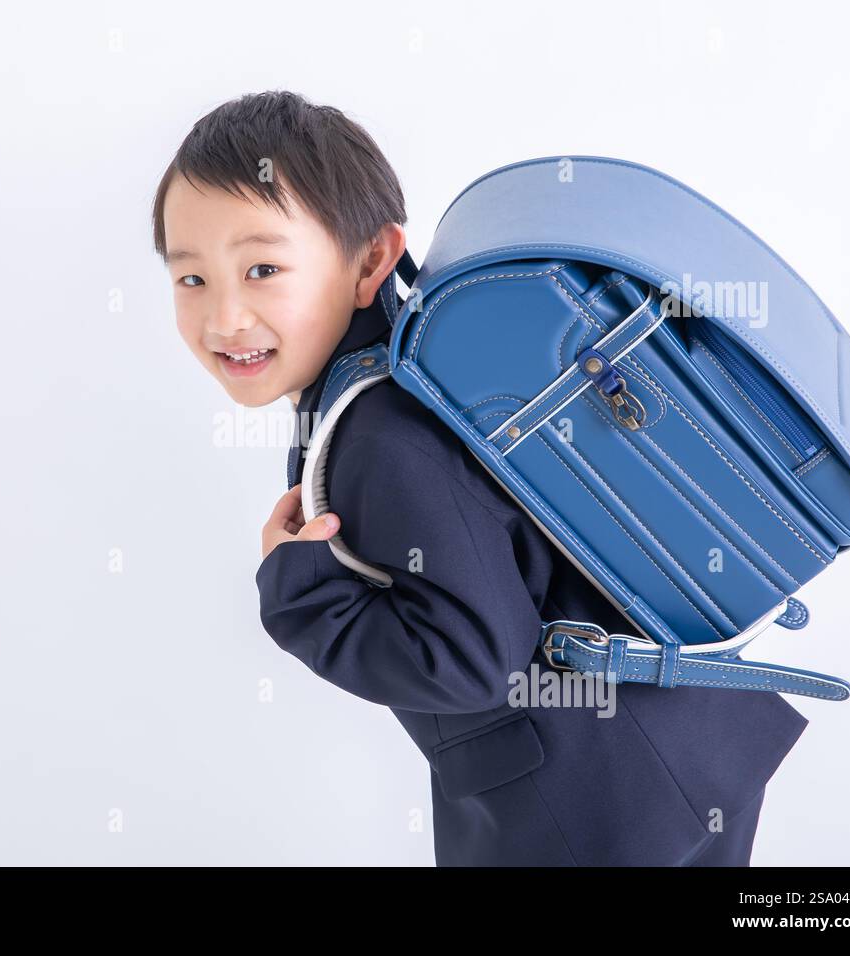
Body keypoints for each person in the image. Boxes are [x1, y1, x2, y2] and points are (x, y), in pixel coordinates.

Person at [152, 90, 808, 865]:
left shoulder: (380, 435)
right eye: (191, 279)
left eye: (262, 268)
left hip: (596, 808)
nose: (225, 317)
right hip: (651, 760)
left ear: (371, 261)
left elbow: (474, 663)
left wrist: (299, 593)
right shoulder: (397, 378)